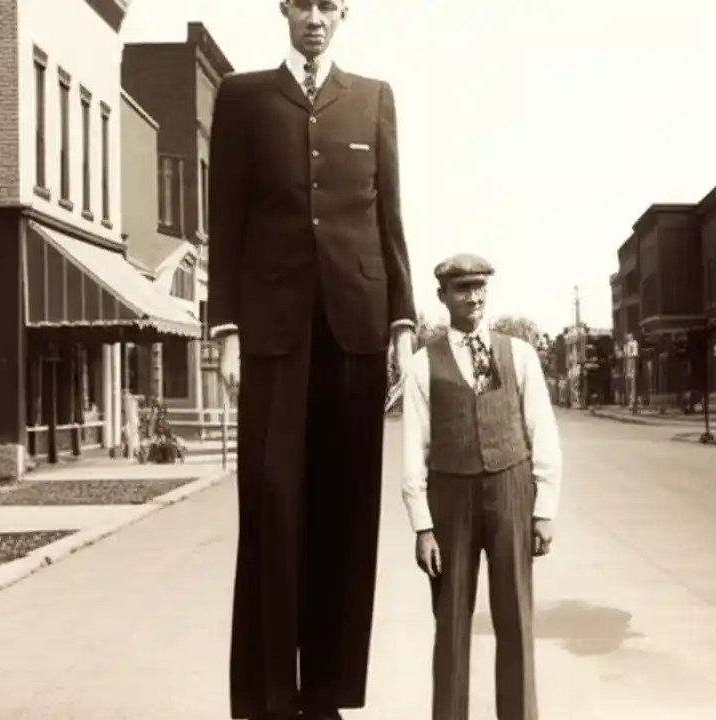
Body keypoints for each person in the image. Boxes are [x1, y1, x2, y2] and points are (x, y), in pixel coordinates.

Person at [206, 1, 417, 718]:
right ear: (284, 10)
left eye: (329, 4)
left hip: (355, 329)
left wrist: (402, 323)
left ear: (344, 11)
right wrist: (227, 329)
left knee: (344, 513)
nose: (316, 18)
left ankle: (326, 694)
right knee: (272, 505)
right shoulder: (242, 98)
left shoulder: (374, 97)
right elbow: (226, 218)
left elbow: (390, 216)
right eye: (303, 3)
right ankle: (270, 695)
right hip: (271, 332)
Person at [400, 254, 563, 720]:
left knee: (515, 619)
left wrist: (544, 508)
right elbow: (413, 446)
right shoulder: (422, 365)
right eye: (462, 289)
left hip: (511, 490)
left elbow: (542, 429)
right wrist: (422, 526)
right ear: (442, 296)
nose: (473, 298)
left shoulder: (519, 354)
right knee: (451, 624)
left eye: (479, 288)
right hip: (450, 499)